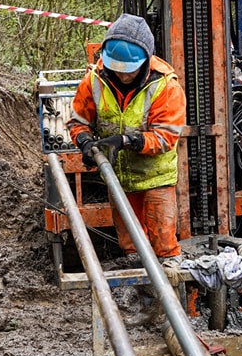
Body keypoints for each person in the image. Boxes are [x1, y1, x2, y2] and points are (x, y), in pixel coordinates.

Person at [67, 14, 186, 263]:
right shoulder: (94, 80)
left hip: (156, 178)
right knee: (130, 244)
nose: (122, 77)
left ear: (145, 62)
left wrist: (126, 141)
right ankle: (141, 295)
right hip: (119, 178)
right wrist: (85, 142)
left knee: (163, 243)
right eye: (116, 70)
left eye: (128, 71)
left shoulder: (165, 86)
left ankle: (172, 292)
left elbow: (166, 138)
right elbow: (78, 122)